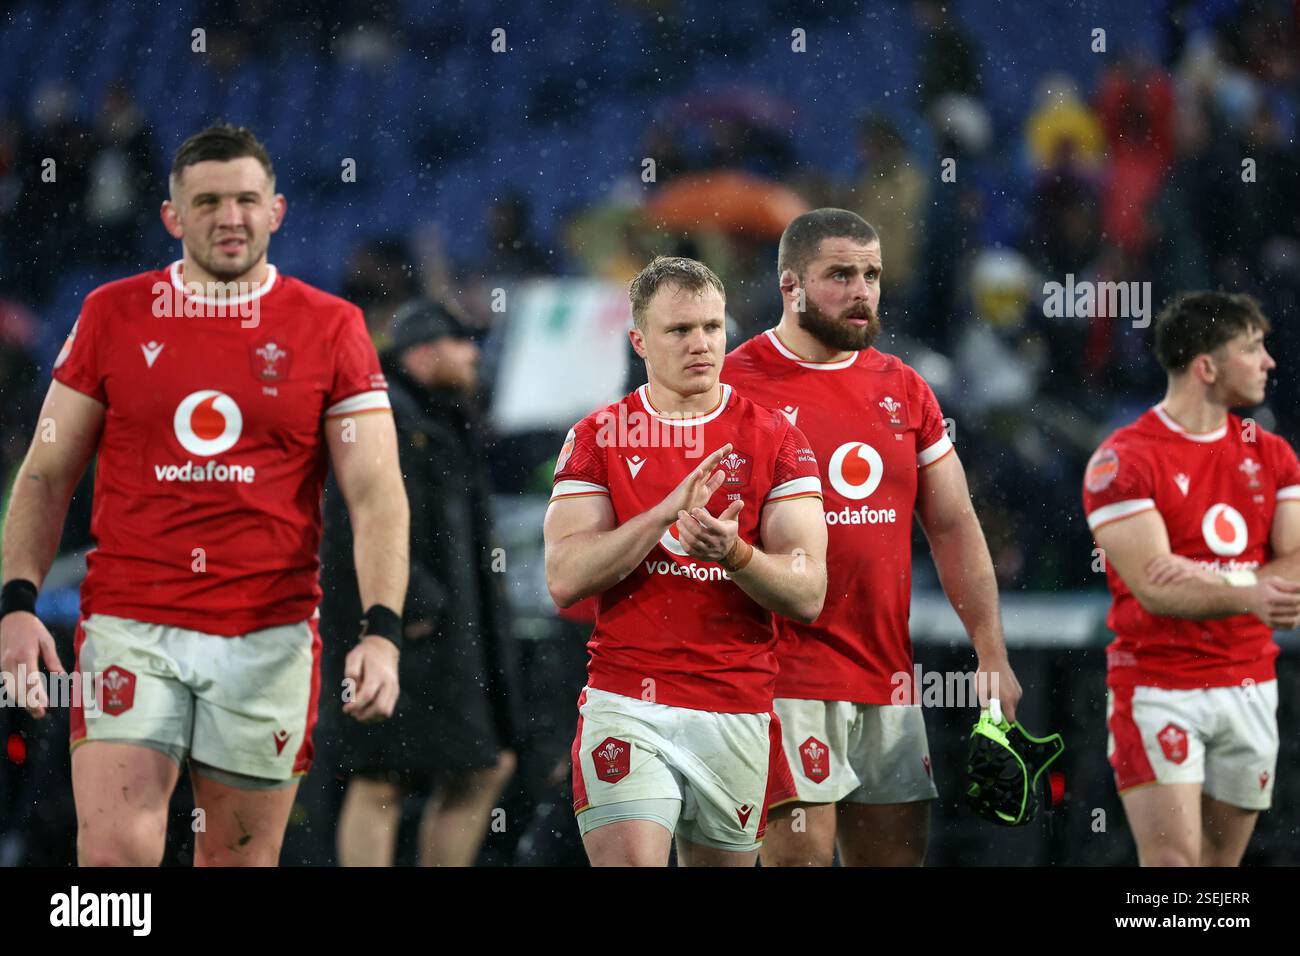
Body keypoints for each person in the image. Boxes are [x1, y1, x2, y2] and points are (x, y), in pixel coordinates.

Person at [0, 124, 409, 866]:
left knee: (237, 860)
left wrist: (382, 628)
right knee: (117, 856)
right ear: (172, 216)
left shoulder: (332, 328)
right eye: (209, 201)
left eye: (248, 200)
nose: (231, 217)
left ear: (277, 211)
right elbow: (45, 472)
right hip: (132, 625)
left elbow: (377, 492)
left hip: (269, 638)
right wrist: (16, 605)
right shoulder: (111, 315)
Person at [724, 208, 1022, 866]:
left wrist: (991, 653)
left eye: (872, 274)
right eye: (840, 274)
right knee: (798, 859)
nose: (862, 290)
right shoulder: (732, 388)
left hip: (885, 678)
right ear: (791, 286)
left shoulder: (906, 389)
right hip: (779, 678)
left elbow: (952, 524)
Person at [544, 255, 827, 867]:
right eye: (679, 331)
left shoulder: (776, 439)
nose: (700, 344)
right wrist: (658, 518)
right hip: (628, 701)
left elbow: (807, 593)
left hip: (735, 703)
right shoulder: (599, 436)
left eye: (712, 327)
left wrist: (736, 554)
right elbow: (565, 579)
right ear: (640, 340)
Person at [1082, 290, 1300, 866]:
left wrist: (1219, 583)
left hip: (1251, 681)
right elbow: (1157, 589)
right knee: (1175, 866)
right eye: (1252, 348)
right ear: (1207, 366)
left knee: (1218, 871)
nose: (1268, 362)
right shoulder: (1122, 460)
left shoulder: (1273, 454)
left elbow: (1296, 566)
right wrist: (1250, 589)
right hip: (1158, 685)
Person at [325, 298, 519, 867]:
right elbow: (355, 520)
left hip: (444, 631)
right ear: (426, 352)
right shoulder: (385, 416)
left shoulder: (438, 416)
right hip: (403, 631)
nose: (473, 355)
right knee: (381, 776)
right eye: (461, 343)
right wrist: (410, 605)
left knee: (479, 765)